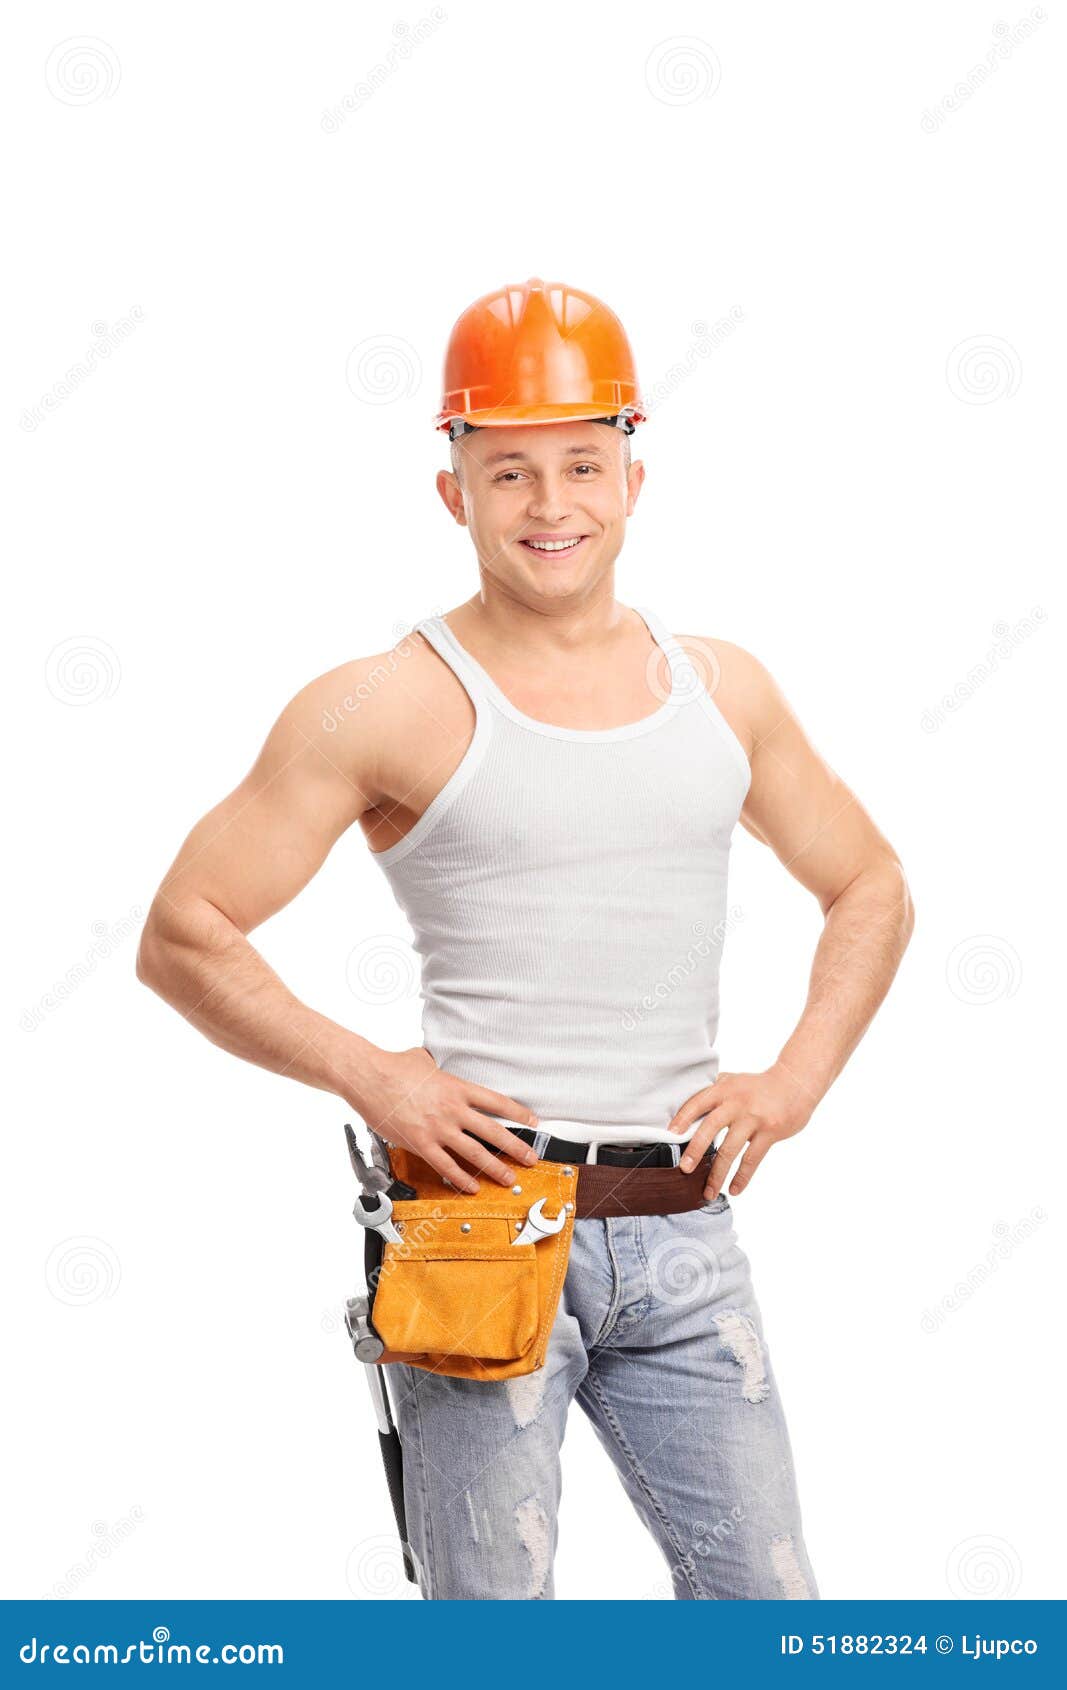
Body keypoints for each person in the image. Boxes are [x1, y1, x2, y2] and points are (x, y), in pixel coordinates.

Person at [137, 278, 914, 1600]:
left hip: (687, 1231)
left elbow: (872, 884)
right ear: (455, 490)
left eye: (579, 464)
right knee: (493, 1641)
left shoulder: (724, 690)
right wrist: (375, 1075)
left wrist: (794, 1082)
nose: (551, 504)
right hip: (481, 1228)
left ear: (632, 473)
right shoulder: (388, 702)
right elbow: (184, 933)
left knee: (773, 1623)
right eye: (509, 471)